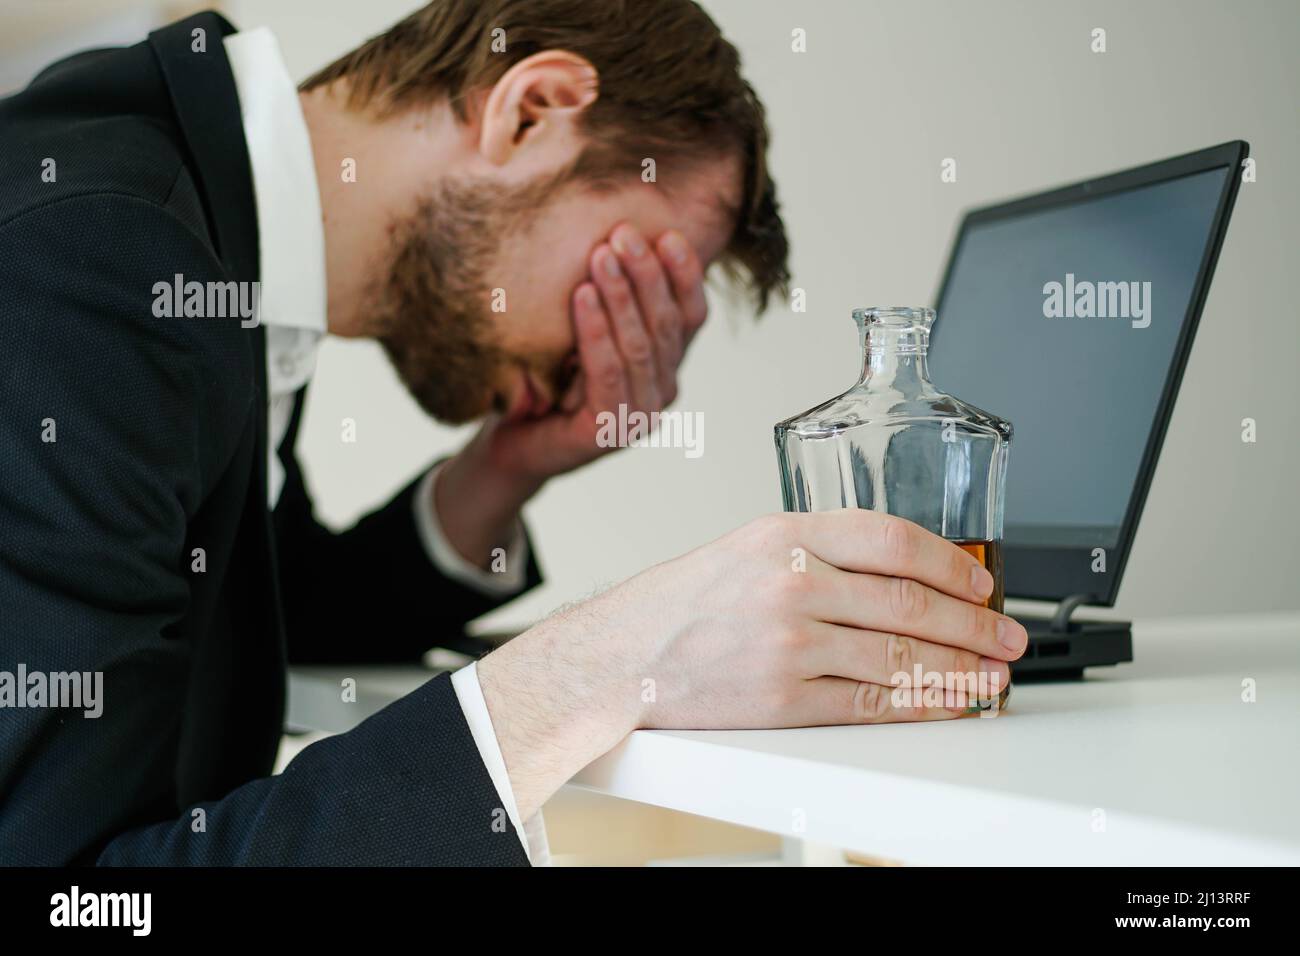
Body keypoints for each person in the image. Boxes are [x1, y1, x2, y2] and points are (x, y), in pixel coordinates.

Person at [0, 0, 1026, 866]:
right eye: (631, 269)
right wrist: (608, 663)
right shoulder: (100, 252)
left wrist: (505, 469)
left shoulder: (199, 220)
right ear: (532, 110)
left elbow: (238, 614)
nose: (614, 344)